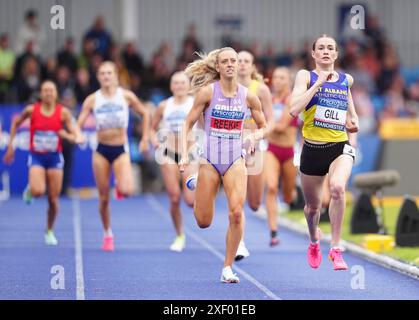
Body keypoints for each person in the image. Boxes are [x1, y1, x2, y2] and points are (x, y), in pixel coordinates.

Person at [180, 47, 268, 283]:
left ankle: (227, 268)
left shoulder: (248, 96)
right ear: (218, 67)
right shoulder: (207, 93)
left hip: (234, 159)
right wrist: (183, 156)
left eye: (234, 61)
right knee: (203, 221)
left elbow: (264, 126)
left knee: (237, 213)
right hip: (209, 160)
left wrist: (253, 137)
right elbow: (187, 123)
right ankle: (197, 181)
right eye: (226, 61)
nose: (231, 64)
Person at [290, 35, 359, 271]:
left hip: (339, 146)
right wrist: (318, 84)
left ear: (337, 54)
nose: (326, 51)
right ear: (314, 54)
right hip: (311, 149)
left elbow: (352, 115)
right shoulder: (305, 76)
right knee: (312, 208)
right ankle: (313, 241)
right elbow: (293, 109)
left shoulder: (346, 80)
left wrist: (354, 127)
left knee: (338, 188)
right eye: (321, 48)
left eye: (331, 48)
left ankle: (336, 248)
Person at [76, 61, 150, 251]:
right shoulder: (93, 99)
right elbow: (79, 123)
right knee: (103, 198)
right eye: (102, 73)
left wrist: (145, 138)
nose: (106, 76)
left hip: (120, 148)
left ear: (116, 76)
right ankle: (107, 233)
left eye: (109, 73)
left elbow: (145, 113)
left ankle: (120, 184)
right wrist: (78, 133)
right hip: (101, 150)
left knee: (127, 190)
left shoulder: (125, 96)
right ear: (99, 77)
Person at [3, 80, 80, 245]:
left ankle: (49, 231)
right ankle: (31, 189)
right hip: (37, 156)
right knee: (39, 191)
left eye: (51, 90)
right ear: (41, 93)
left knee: (53, 199)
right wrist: (11, 146)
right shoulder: (32, 110)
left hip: (54, 158)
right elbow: (16, 123)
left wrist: (66, 135)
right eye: (45, 90)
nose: (48, 93)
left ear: (56, 94)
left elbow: (77, 136)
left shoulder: (63, 113)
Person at [151, 71, 198, 252]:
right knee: (174, 197)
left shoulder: (195, 103)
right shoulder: (164, 106)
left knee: (189, 200)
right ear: (171, 86)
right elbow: (151, 127)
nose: (179, 86)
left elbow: (205, 124)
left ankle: (203, 201)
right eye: (176, 83)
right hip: (169, 153)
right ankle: (179, 235)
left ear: (188, 86)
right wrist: (152, 138)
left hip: (191, 154)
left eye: (182, 83)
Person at [235, 50, 274, 260]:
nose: (241, 64)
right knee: (237, 200)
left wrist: (256, 137)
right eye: (238, 60)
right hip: (234, 149)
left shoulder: (261, 90)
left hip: (255, 148)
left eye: (245, 61)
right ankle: (239, 243)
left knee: (255, 203)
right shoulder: (227, 88)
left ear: (252, 66)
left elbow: (270, 121)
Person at [264, 67, 298, 246]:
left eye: (281, 78)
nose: (277, 80)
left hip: (289, 151)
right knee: (270, 187)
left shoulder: (292, 99)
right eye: (275, 77)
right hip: (272, 149)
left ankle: (291, 193)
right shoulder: (267, 99)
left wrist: (263, 125)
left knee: (287, 197)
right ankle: (273, 232)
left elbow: (283, 125)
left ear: (289, 81)